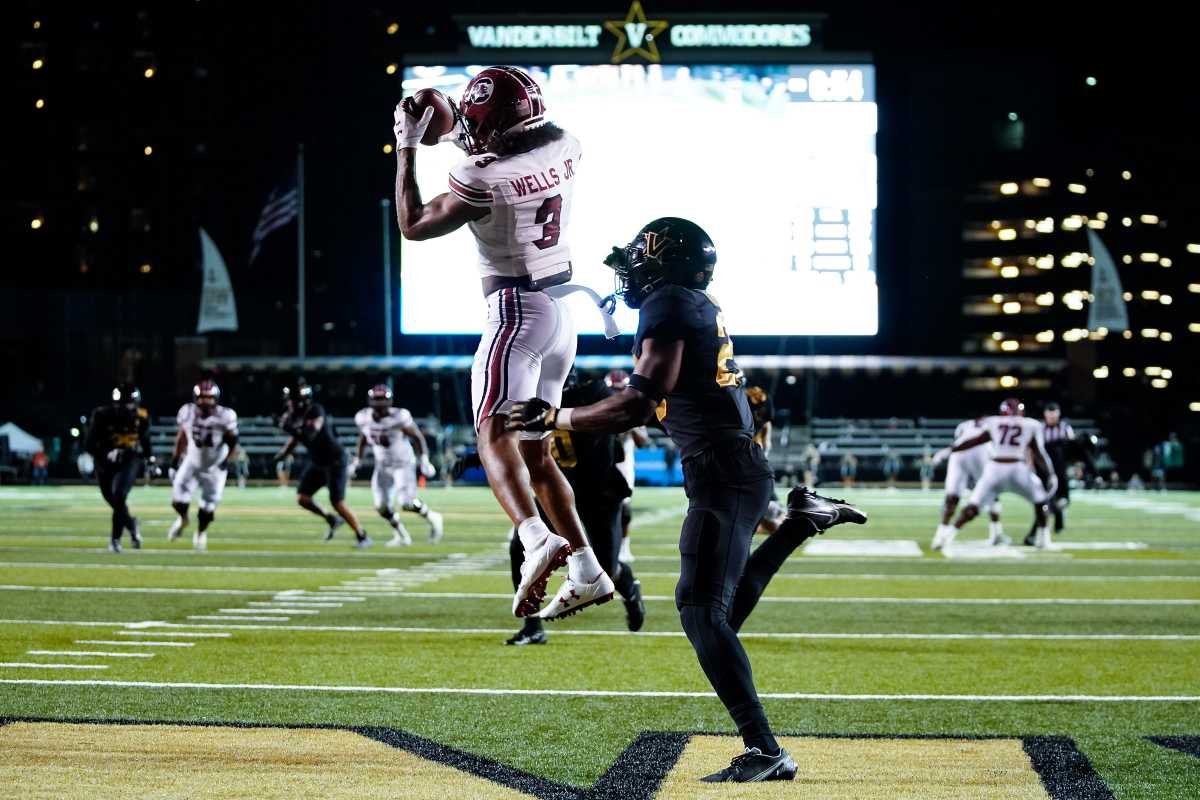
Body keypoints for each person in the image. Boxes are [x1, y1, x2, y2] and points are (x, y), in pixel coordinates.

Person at [507, 217, 866, 783]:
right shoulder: (687, 301)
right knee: (714, 617)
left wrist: (558, 417)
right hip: (727, 467)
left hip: (726, 468)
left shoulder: (670, 302)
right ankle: (800, 522)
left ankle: (765, 749)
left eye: (641, 257)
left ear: (663, 261)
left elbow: (636, 406)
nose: (631, 267)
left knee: (702, 614)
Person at [393, 66, 613, 617]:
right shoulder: (565, 142)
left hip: (516, 311)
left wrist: (408, 148)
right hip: (563, 313)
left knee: (494, 432)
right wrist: (461, 127)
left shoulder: (478, 175)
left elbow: (414, 223)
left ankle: (538, 538)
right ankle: (588, 568)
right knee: (536, 450)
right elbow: (502, 151)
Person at [506, 373, 646, 646]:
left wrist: (558, 415)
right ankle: (532, 624)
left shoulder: (594, 394)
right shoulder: (529, 399)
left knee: (604, 568)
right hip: (557, 489)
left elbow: (612, 418)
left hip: (599, 490)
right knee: (520, 547)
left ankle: (629, 587)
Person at [945, 398, 1058, 549]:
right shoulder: (1031, 424)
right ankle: (1043, 539)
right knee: (1041, 500)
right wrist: (1051, 474)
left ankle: (947, 536)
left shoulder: (994, 422)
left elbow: (975, 441)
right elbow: (1039, 453)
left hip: (995, 468)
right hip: (1017, 467)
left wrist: (952, 449)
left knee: (974, 505)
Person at [273, 379, 371, 547]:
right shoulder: (293, 415)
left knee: (337, 502)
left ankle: (362, 536)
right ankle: (331, 519)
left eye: (291, 400)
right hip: (318, 461)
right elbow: (296, 438)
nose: (288, 403)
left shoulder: (315, 410)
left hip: (335, 460)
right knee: (303, 498)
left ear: (300, 400)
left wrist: (287, 427)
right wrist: (282, 454)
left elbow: (310, 434)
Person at [351, 384, 444, 546]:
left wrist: (424, 459)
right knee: (381, 507)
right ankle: (401, 535)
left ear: (390, 401)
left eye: (382, 399)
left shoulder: (399, 417)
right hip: (382, 466)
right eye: (376, 399)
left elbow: (417, 437)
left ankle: (432, 516)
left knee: (406, 503)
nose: (379, 403)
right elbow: (364, 438)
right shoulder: (363, 418)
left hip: (402, 464)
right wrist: (357, 460)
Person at [84, 383, 157, 553]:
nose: (125, 408)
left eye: (129, 403)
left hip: (129, 460)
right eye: (121, 404)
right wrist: (107, 452)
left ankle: (115, 540)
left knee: (119, 496)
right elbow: (89, 444)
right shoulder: (101, 415)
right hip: (104, 463)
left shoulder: (142, 417)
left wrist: (151, 462)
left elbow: (146, 441)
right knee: (114, 501)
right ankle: (132, 525)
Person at [167, 380, 239, 551]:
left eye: (209, 398)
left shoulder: (225, 416)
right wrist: (174, 461)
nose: (205, 401)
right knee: (177, 500)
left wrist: (226, 461)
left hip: (214, 465)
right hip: (191, 461)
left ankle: (200, 533)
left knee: (207, 509)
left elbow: (233, 441)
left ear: (216, 399)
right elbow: (182, 437)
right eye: (201, 398)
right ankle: (183, 519)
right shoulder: (187, 412)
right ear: (195, 398)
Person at [931, 417, 1005, 551]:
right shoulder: (996, 423)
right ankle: (996, 533)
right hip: (982, 450)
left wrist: (946, 452)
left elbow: (959, 440)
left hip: (959, 451)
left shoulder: (963, 425)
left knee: (952, 497)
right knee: (992, 493)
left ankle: (939, 536)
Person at [605, 369, 649, 563]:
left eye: (620, 390)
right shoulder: (599, 404)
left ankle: (624, 546)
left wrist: (630, 423)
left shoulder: (633, 409)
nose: (616, 394)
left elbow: (643, 441)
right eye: (613, 390)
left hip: (623, 465)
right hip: (601, 462)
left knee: (624, 510)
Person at [1024, 402, 1074, 545]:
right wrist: (1030, 464)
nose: (1052, 416)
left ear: (1058, 414)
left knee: (1054, 502)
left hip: (1060, 470)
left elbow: (1072, 449)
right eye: (1049, 413)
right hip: (1043, 472)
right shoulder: (1039, 428)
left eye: (1054, 413)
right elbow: (1031, 448)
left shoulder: (1065, 428)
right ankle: (1037, 533)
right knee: (1045, 502)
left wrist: (1075, 466)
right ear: (1045, 414)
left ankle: (1037, 533)